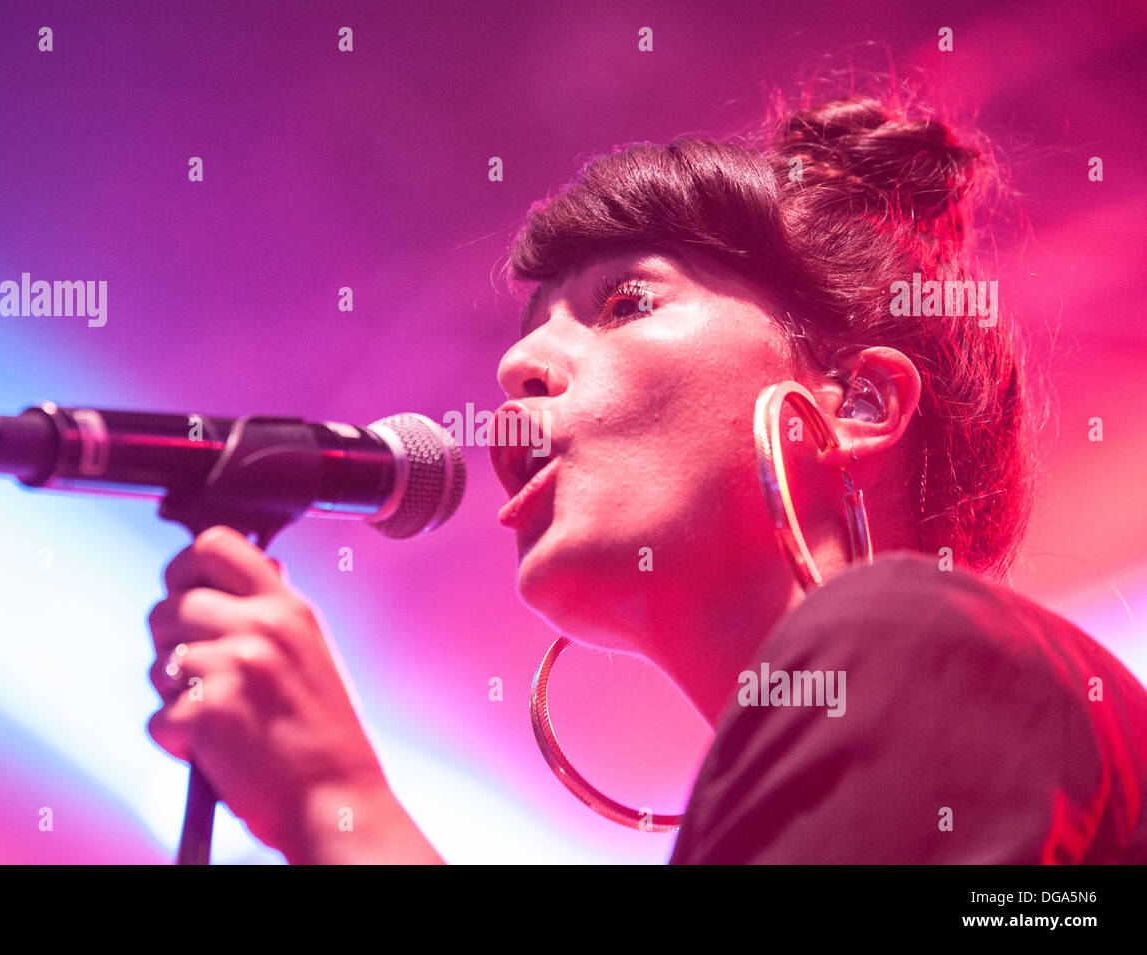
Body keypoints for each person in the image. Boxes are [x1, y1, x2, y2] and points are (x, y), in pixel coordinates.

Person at [144, 93, 1147, 864]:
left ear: (858, 406)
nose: (514, 370)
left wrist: (336, 804)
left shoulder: (915, 643)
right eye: (532, 329)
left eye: (624, 303)